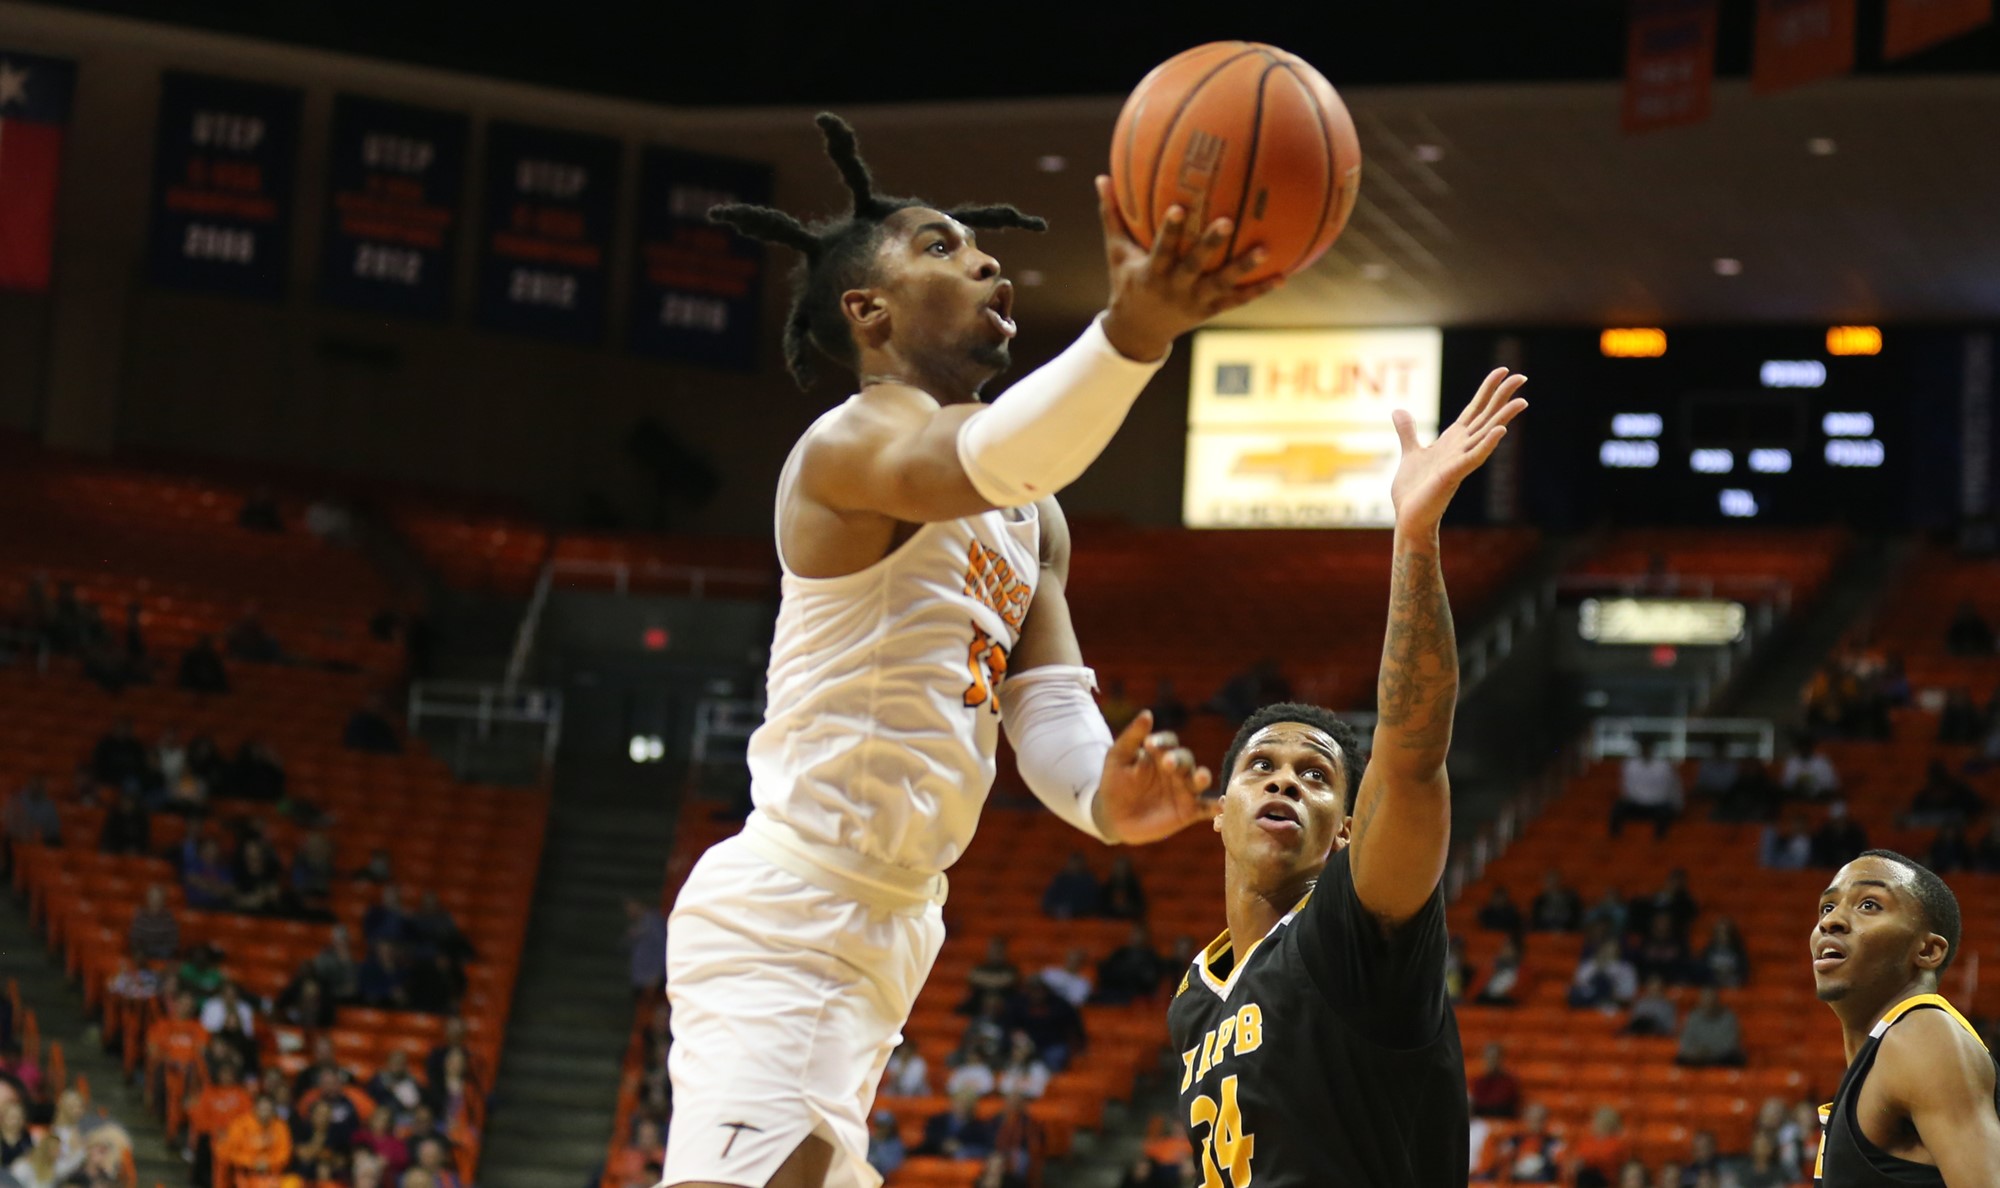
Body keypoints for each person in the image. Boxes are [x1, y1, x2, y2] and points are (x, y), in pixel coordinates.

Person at [662, 111, 1258, 1188]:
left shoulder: (1034, 516)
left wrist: (1106, 800)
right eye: (941, 246)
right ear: (868, 310)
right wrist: (1133, 333)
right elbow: (993, 454)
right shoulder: (852, 443)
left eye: (982, 248)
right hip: (791, 911)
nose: (986, 262)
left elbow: (1046, 706)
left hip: (891, 928)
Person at [1169, 370, 1526, 1188]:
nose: (1285, 783)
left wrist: (1415, 536)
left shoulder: (1355, 930)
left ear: (1347, 830)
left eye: (1315, 775)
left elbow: (1411, 757)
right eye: (1262, 767)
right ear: (1219, 812)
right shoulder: (1193, 998)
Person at [1810, 849, 2000, 1182]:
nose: (1830, 921)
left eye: (1869, 905)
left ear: (1927, 950)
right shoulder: (1890, 1047)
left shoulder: (1923, 1035)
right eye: (1828, 907)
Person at [1612, 743, 1683, 838]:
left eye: (1648, 749)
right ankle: (1615, 838)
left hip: (1658, 805)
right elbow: (1626, 787)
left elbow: (1673, 787)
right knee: (1618, 808)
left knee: (1665, 812)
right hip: (1636, 804)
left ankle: (1660, 840)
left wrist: (1677, 805)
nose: (1646, 751)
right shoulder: (1630, 765)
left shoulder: (1664, 766)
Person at [1675, 987, 1744, 1067]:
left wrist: (1709, 1052)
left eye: (1712, 1001)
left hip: (1721, 1058)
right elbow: (1686, 1041)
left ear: (1717, 1002)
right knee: (1680, 1059)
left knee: (1735, 1058)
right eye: (1706, 1001)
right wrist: (1696, 1052)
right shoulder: (1693, 1017)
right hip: (1697, 1058)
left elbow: (1731, 1043)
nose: (1709, 1004)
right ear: (1700, 1002)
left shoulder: (1729, 1018)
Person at [917, 1090, 992, 1160]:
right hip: (935, 1156)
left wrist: (961, 1148)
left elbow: (984, 1148)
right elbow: (929, 1137)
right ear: (952, 1103)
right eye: (959, 1102)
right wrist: (944, 1143)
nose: (962, 1106)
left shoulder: (979, 1128)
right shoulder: (937, 1121)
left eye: (967, 1103)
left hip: (962, 1162)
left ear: (972, 1106)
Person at [1571, 939, 1639, 1010]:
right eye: (1605, 948)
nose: (1607, 951)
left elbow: (1628, 995)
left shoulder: (1626, 968)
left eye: (1612, 949)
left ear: (1618, 951)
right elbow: (1579, 986)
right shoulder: (1588, 965)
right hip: (1588, 1002)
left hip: (1613, 1004)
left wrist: (1611, 994)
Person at [625, 898, 666, 998]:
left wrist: (659, 974)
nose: (628, 911)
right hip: (640, 978)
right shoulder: (638, 923)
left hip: (652, 979)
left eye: (629, 906)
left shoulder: (654, 922)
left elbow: (663, 948)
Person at [1039, 853, 1101, 919]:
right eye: (1073, 863)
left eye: (1078, 863)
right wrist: (1058, 909)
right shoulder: (1061, 880)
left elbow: (1093, 903)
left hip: (1081, 917)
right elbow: (1048, 900)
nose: (1075, 866)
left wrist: (1073, 910)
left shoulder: (1089, 881)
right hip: (1059, 915)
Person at [1779, 735, 1841, 801]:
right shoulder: (1791, 762)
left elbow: (1832, 784)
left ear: (1811, 746)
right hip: (1797, 796)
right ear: (1798, 748)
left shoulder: (1822, 761)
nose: (1804, 748)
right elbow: (1785, 784)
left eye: (1806, 746)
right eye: (1801, 746)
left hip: (1819, 796)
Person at [1812, 801, 1871, 868]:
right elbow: (1820, 857)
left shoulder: (1856, 833)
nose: (1839, 823)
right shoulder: (1823, 834)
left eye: (1841, 819)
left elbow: (1861, 853)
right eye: (1836, 820)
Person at [1469, 1043, 1521, 1118]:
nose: (1492, 1061)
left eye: (1495, 1058)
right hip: (1481, 1121)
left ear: (1501, 1059)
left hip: (1503, 1120)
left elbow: (1504, 1104)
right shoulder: (1478, 1082)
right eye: (1488, 1058)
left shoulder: (1509, 1082)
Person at [129, 884, 179, 962]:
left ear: (163, 901)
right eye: (152, 898)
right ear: (147, 899)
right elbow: (135, 938)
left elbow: (173, 941)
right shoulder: (141, 916)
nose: (155, 902)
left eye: (158, 899)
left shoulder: (168, 918)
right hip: (144, 951)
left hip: (163, 953)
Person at [1698, 917, 1751, 988]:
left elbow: (1743, 972)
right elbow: (1702, 969)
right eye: (1719, 932)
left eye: (1724, 932)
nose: (1721, 935)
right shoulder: (1708, 951)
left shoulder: (1739, 951)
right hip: (1713, 984)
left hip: (1733, 985)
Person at [1100, 854, 1147, 920]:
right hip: (1112, 919)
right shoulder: (1108, 886)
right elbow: (1102, 907)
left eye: (1122, 868)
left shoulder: (1134, 886)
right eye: (1118, 868)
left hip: (1129, 918)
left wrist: (1127, 906)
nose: (1120, 870)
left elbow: (1140, 906)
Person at [863, 1111, 903, 1180]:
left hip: (886, 1180)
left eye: (884, 1126)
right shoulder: (870, 1140)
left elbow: (889, 1167)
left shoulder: (897, 1145)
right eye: (878, 1126)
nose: (880, 1130)